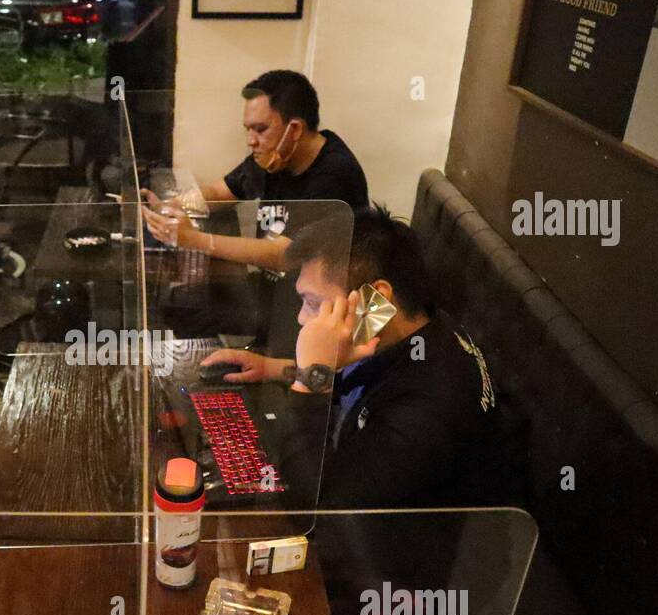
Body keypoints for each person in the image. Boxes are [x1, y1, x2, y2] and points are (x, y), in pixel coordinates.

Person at [200, 205, 506, 508]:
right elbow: (356, 376)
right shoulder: (413, 328)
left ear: (376, 299)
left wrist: (311, 381)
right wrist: (276, 369)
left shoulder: (430, 406)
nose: (302, 319)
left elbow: (319, 505)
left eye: (313, 303)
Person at [138, 70, 370, 271]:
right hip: (276, 291)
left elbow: (283, 256)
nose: (251, 141)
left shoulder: (334, 175)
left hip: (320, 305)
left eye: (260, 130)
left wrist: (195, 239)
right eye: (248, 130)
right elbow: (220, 192)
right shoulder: (277, 156)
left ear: (295, 129)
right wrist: (172, 205)